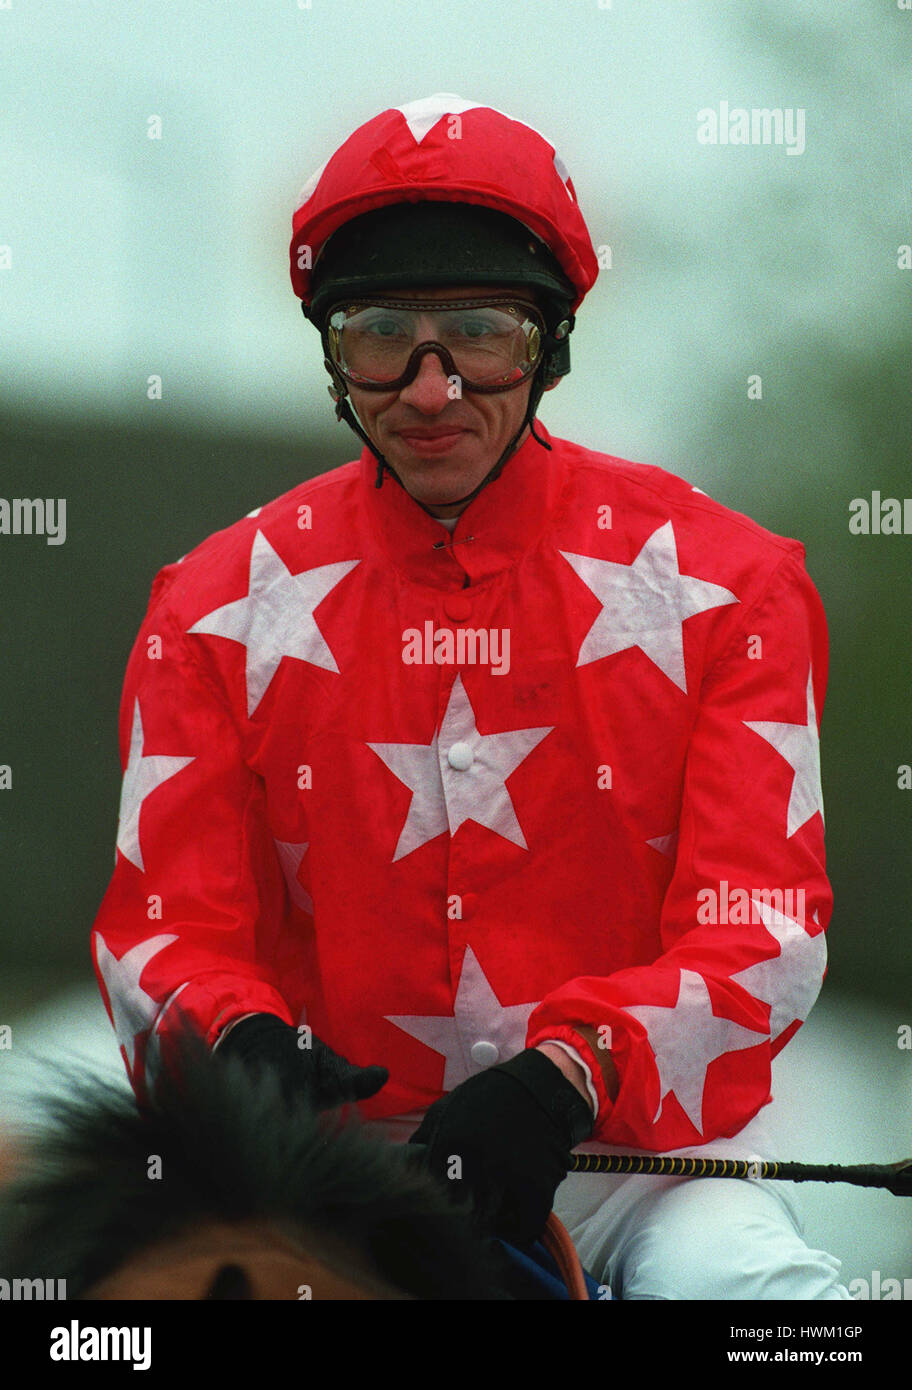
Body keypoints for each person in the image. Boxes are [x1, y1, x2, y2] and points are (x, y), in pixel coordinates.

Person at [90, 93, 850, 1298]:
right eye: (381, 331)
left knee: (763, 1304)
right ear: (333, 354)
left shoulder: (736, 587)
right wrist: (236, 1040)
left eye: (481, 333)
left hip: (638, 1165)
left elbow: (766, 933)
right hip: (326, 1173)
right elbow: (162, 931)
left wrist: (569, 1074)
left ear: (548, 344)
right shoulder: (209, 606)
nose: (431, 391)